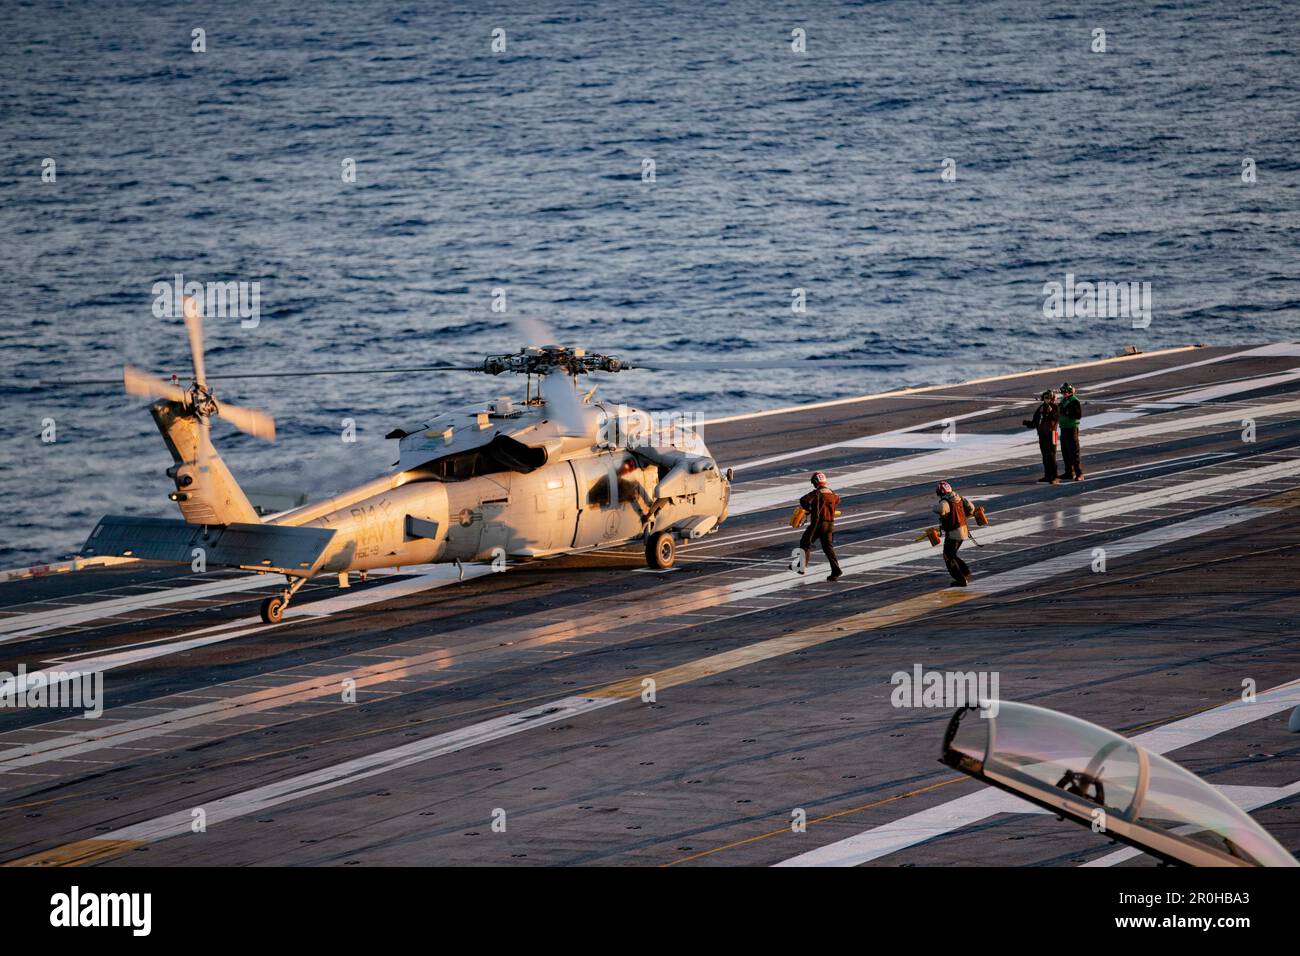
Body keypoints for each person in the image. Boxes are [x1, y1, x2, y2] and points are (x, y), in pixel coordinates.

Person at [798, 472, 843, 581]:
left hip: (818, 524)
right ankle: (836, 570)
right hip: (830, 524)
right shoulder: (832, 493)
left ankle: (801, 567)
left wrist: (810, 509)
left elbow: (803, 500)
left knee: (805, 542)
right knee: (828, 548)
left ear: (815, 482)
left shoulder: (817, 493)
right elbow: (838, 500)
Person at [933, 480, 977, 586]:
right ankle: (965, 572)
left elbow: (941, 510)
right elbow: (971, 508)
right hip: (964, 531)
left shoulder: (945, 501)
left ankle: (961, 580)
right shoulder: (960, 498)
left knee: (947, 556)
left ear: (941, 492)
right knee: (952, 554)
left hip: (953, 533)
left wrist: (934, 508)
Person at [1022, 389, 1060, 484]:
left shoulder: (1055, 407)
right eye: (1045, 398)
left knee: (1051, 455)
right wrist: (1027, 423)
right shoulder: (1041, 408)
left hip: (1052, 434)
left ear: (1052, 398)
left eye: (1048, 398)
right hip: (1042, 435)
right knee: (1045, 455)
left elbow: (1056, 418)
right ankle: (1047, 475)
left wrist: (1050, 412)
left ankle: (1054, 476)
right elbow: (1035, 422)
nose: (1046, 399)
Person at [1059, 382, 1084, 480]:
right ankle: (1069, 472)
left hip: (1071, 428)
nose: (1063, 393)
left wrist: (1065, 412)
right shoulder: (1063, 400)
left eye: (1065, 392)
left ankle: (1079, 474)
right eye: (1062, 392)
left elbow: (1078, 415)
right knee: (1065, 451)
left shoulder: (1074, 401)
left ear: (1069, 391)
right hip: (1063, 428)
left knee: (1074, 452)